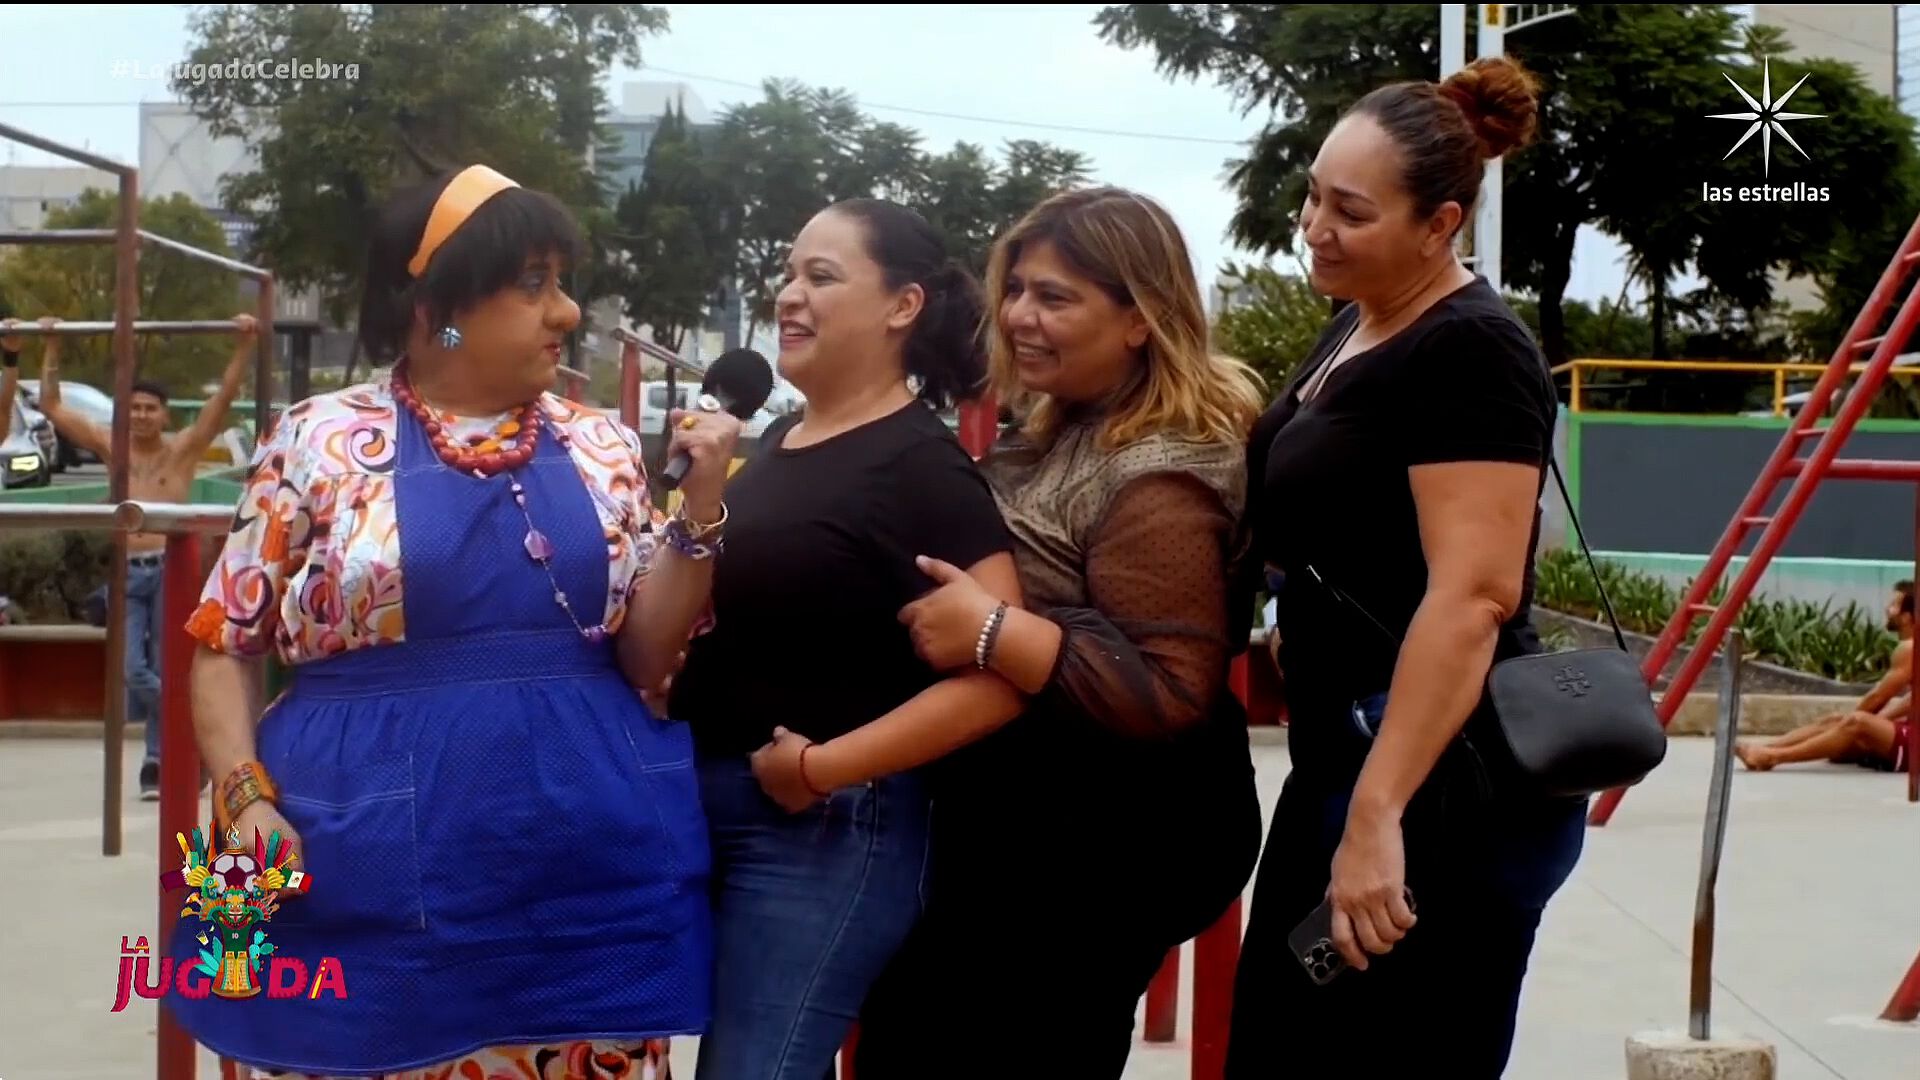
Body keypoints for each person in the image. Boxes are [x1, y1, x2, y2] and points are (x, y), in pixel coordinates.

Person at [166, 164, 736, 1079]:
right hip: (349, 852)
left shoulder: (604, 446)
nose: (567, 313)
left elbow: (644, 657)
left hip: (574, 870)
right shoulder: (313, 440)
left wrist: (702, 509)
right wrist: (242, 798)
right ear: (441, 308)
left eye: (564, 283)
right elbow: (227, 643)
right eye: (536, 284)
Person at [844, 186, 1268, 1079]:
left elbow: (1172, 691)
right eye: (1019, 289)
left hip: (1095, 853)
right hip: (1027, 838)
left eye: (1057, 297)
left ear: (1140, 319)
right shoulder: (1070, 424)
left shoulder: (1160, 469)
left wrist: (993, 631)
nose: (1022, 317)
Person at [1225, 57, 1585, 1078]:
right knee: (1287, 1041)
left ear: (1442, 225)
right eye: (1312, 198)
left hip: (1434, 788)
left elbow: (1473, 597)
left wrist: (1378, 819)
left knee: (1390, 1052)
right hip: (1347, 762)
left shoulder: (1471, 350)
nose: (1313, 227)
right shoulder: (1362, 321)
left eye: (1350, 211)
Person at [661, 197, 1021, 1080]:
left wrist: (828, 767)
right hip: (708, 800)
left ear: (903, 306)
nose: (790, 296)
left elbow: (999, 675)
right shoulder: (780, 439)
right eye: (788, 273)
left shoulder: (923, 468)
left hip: (823, 829)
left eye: (822, 277)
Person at [11, 312, 258, 799]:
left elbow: (222, 400)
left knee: (167, 663)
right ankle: (186, 722)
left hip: (171, 568)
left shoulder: (182, 450)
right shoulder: (112, 447)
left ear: (165, 415)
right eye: (135, 407)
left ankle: (154, 762)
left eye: (151, 409)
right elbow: (54, 405)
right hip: (128, 569)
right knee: (132, 669)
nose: (142, 415)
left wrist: (244, 345)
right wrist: (52, 344)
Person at [1736, 581, 1915, 773]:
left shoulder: (1910, 649)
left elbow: (1878, 698)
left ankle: (1772, 757)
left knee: (1856, 722)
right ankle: (1768, 748)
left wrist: (1854, 721)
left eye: (1894, 605)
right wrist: (1879, 721)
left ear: (1907, 617)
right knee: (1838, 723)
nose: (1888, 609)